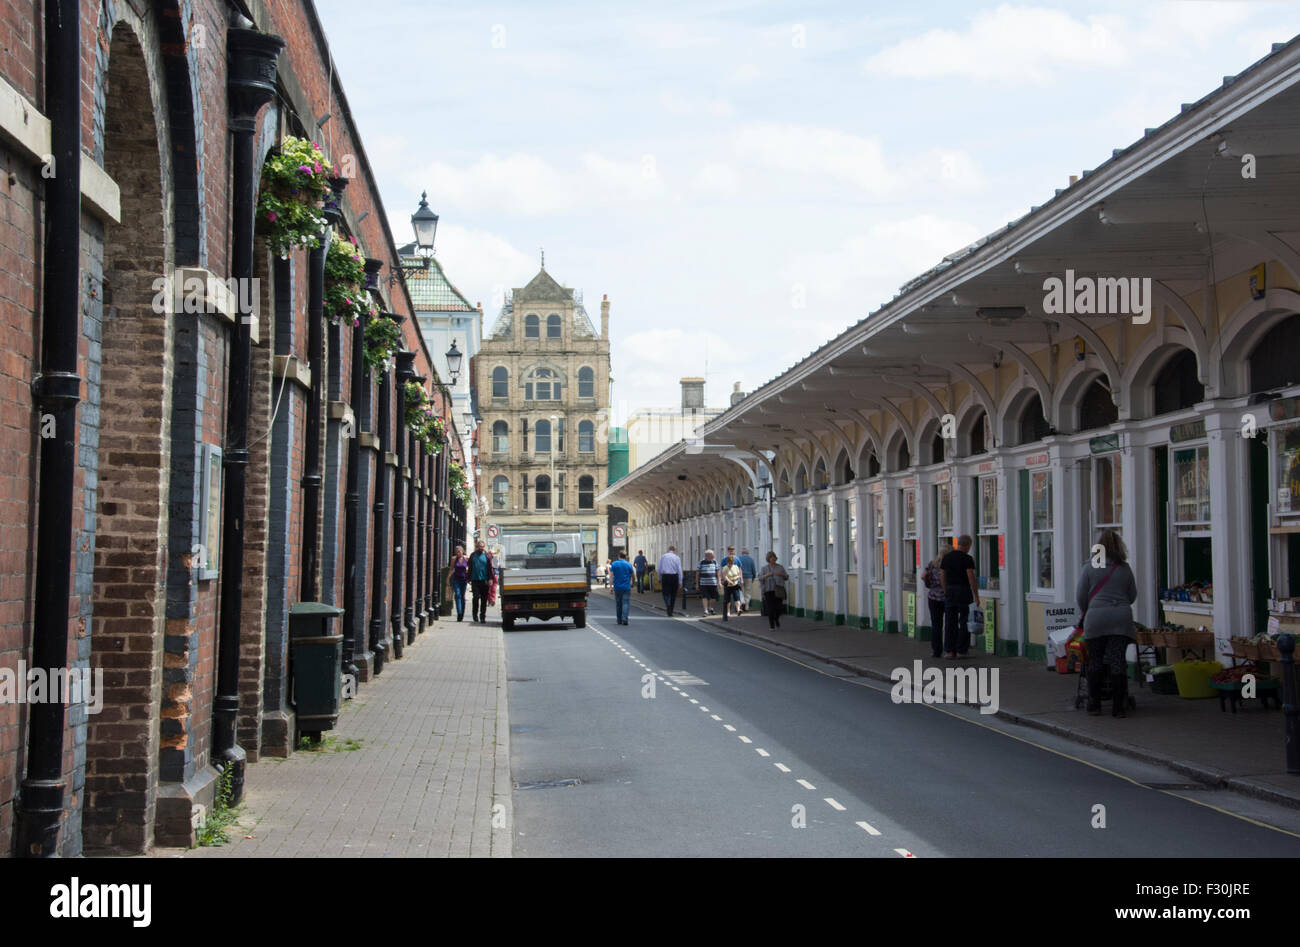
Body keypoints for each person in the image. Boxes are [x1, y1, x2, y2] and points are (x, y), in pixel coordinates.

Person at [1077, 529, 1138, 717]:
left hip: (1096, 619)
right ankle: (1118, 707)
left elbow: (1081, 596)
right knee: (1117, 661)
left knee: (1095, 660)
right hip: (1120, 619)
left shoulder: (1088, 567)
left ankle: (1095, 704)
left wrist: (1090, 610)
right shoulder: (1124, 568)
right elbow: (1132, 595)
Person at [940, 535, 979, 659]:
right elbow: (971, 577)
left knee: (950, 621)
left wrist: (946, 591)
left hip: (950, 590)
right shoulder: (967, 559)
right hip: (963, 591)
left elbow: (942, 576)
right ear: (967, 545)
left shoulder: (947, 558)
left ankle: (950, 651)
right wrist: (976, 595)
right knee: (964, 621)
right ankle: (962, 650)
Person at [922, 545, 952, 658]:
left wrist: (931, 583)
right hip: (947, 597)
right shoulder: (949, 566)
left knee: (936, 625)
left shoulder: (932, 564)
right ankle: (949, 649)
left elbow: (923, 576)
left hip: (933, 597)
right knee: (949, 623)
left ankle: (936, 650)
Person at [759, 552, 789, 630]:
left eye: (774, 558)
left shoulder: (780, 567)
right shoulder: (764, 568)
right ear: (768, 559)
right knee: (770, 609)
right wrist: (767, 575)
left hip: (778, 589)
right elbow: (760, 578)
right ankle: (772, 626)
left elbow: (786, 577)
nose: (773, 559)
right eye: (771, 558)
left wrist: (782, 575)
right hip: (768, 590)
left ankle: (776, 618)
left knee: (779, 608)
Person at [468, 539, 495, 624]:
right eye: (480, 547)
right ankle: (474, 615)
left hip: (485, 580)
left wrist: (491, 579)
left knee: (484, 600)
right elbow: (469, 567)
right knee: (475, 598)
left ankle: (482, 616)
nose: (481, 548)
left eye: (482, 547)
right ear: (477, 547)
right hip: (475, 580)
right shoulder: (473, 555)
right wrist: (468, 578)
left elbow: (490, 569)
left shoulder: (487, 556)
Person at [610, 550, 635, 625]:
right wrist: (632, 583)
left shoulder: (614, 564)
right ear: (625, 557)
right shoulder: (629, 565)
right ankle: (625, 618)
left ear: (618, 556)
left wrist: (611, 587)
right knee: (625, 603)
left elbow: (611, 576)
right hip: (626, 587)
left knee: (618, 604)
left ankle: (619, 620)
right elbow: (633, 576)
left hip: (617, 587)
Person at [658, 546, 683, 616]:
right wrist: (680, 582)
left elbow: (659, 568)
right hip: (674, 576)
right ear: (674, 550)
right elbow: (679, 570)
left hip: (665, 576)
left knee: (665, 593)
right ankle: (671, 610)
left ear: (668, 549)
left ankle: (667, 604)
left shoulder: (663, 557)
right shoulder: (677, 558)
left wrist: (659, 578)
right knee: (673, 594)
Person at [720, 554, 744, 621]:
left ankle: (738, 610)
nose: (731, 564)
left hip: (735, 584)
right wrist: (729, 581)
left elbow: (739, 575)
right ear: (728, 562)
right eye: (730, 562)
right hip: (728, 586)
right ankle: (727, 612)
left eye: (732, 562)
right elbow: (725, 576)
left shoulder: (736, 567)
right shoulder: (725, 568)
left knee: (737, 598)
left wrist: (735, 579)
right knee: (727, 600)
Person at [697, 549, 720, 616]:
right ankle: (705, 611)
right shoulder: (701, 562)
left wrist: (719, 582)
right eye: (712, 556)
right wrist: (697, 584)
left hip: (713, 583)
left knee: (714, 597)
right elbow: (697, 573)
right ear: (708, 556)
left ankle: (711, 607)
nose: (713, 557)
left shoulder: (715, 562)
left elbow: (718, 572)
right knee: (704, 597)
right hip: (703, 583)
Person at [450, 545, 469, 622]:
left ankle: (462, 612)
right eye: (456, 551)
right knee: (457, 595)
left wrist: (468, 574)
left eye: (459, 551)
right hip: (456, 579)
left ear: (462, 551)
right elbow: (451, 569)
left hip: (464, 580)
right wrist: (448, 578)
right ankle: (459, 613)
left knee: (462, 596)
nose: (458, 553)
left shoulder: (466, 558)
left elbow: (470, 567)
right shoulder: (454, 559)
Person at [738, 548, 757, 613]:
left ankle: (742, 601)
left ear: (742, 553)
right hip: (749, 577)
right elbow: (753, 570)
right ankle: (746, 607)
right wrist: (753, 577)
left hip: (740, 577)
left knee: (739, 590)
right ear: (748, 553)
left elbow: (737, 568)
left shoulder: (739, 559)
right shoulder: (751, 559)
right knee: (748, 592)